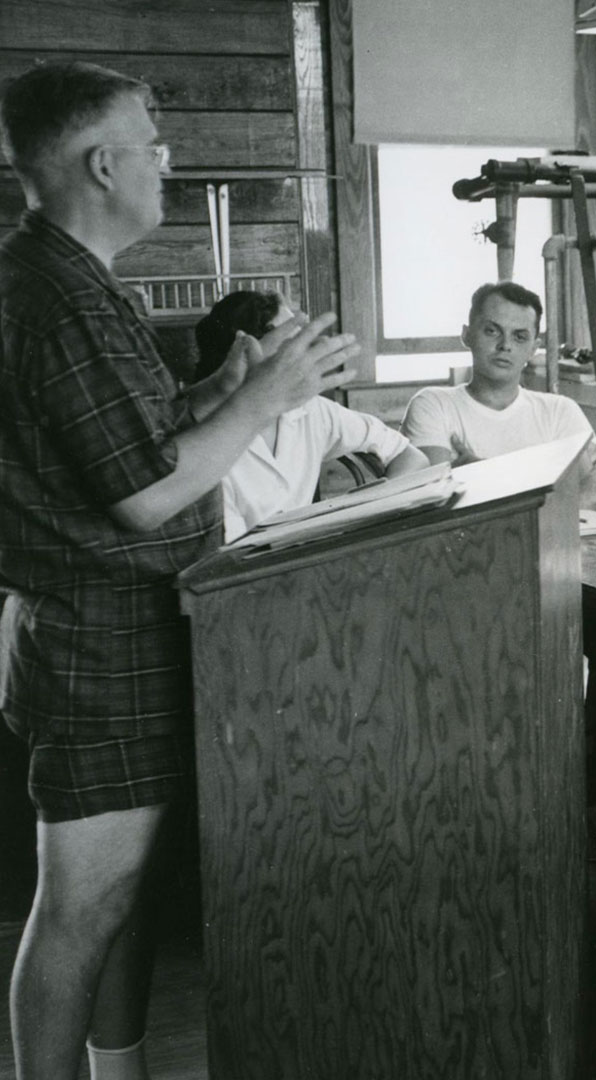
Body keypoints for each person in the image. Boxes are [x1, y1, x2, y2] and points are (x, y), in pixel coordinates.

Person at [1, 60, 362, 1080]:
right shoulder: (56, 295)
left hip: (130, 636)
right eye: (154, 144)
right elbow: (144, 493)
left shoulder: (73, 279)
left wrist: (221, 387)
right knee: (81, 906)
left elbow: (132, 437)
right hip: (99, 644)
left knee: (111, 903)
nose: (169, 160)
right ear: (102, 164)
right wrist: (265, 400)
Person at [194, 290, 429, 540]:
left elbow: (411, 457)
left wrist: (367, 506)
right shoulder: (203, 436)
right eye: (293, 343)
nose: (306, 355)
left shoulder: (311, 409)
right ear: (246, 353)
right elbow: (230, 558)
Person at [401, 282, 596, 511]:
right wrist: (542, 478)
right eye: (492, 331)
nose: (505, 346)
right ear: (467, 335)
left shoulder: (559, 409)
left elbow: (590, 486)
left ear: (533, 347)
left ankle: (545, 522)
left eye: (519, 337)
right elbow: (432, 498)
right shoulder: (434, 404)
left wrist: (485, 473)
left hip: (552, 536)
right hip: (474, 539)